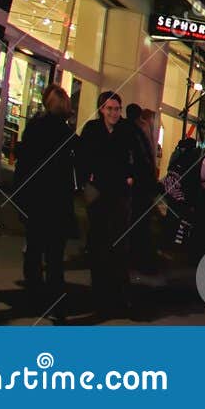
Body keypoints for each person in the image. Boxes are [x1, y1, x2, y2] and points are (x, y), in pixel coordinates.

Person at [13, 83, 75, 311]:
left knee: (34, 248)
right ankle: (54, 296)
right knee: (55, 253)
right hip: (58, 200)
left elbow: (25, 162)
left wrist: (19, 193)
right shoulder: (68, 135)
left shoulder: (35, 127)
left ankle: (34, 293)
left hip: (36, 198)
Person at [74, 90, 133, 318]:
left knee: (118, 245)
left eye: (117, 109)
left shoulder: (126, 131)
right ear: (101, 109)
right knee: (98, 244)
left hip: (119, 195)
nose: (114, 113)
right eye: (109, 109)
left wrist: (131, 176)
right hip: (98, 194)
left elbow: (134, 156)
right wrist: (85, 184)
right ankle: (99, 294)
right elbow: (82, 157)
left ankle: (119, 295)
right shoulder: (92, 129)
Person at [122, 104, 160, 274]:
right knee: (138, 219)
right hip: (139, 183)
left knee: (133, 218)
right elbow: (145, 157)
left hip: (136, 182)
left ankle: (132, 253)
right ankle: (136, 255)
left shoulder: (126, 129)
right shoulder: (139, 131)